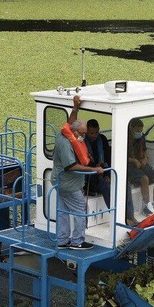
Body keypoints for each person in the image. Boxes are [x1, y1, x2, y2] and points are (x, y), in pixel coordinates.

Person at [52, 95, 103, 250]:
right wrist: (94, 169)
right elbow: (72, 166)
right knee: (80, 209)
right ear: (74, 132)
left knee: (62, 211)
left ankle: (61, 240)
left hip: (60, 182)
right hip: (69, 184)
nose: (83, 136)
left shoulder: (67, 132)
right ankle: (77, 241)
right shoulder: (65, 144)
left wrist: (75, 106)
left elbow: (71, 120)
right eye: (82, 133)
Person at [127, 117, 154, 222]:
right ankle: (146, 206)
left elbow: (144, 151)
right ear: (131, 128)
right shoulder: (125, 138)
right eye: (137, 131)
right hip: (130, 165)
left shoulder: (141, 138)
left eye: (141, 131)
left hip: (142, 163)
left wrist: (145, 158)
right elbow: (123, 156)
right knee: (144, 179)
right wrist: (134, 161)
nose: (139, 133)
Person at [83, 118, 111, 207]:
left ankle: (126, 214)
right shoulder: (82, 141)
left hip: (103, 171)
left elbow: (107, 158)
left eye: (96, 132)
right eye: (91, 133)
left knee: (125, 184)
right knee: (105, 186)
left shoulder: (102, 139)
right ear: (86, 131)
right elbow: (83, 161)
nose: (94, 135)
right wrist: (95, 167)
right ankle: (113, 211)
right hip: (89, 175)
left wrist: (107, 174)